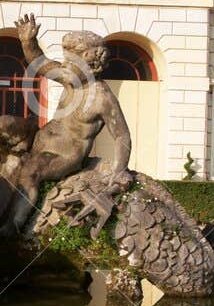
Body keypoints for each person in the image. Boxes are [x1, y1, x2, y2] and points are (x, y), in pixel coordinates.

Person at [10, 14, 133, 207]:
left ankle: (14, 223)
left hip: (64, 156)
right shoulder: (69, 79)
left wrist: (120, 170)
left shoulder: (102, 98)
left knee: (30, 171)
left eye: (70, 61)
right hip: (41, 145)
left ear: (89, 62)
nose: (65, 65)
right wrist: (28, 42)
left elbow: (121, 135)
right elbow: (40, 63)